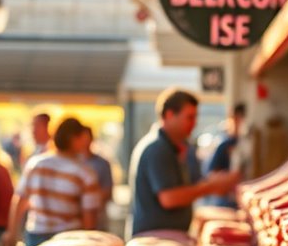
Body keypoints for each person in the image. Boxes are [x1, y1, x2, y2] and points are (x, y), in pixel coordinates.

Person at [129, 88, 238, 237]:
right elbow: (169, 198)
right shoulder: (157, 149)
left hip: (163, 236)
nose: (194, 123)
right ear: (169, 115)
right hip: (157, 238)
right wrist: (211, 187)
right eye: (189, 117)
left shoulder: (171, 147)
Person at [3, 117, 99, 246]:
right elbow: (89, 219)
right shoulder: (85, 173)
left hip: (35, 236)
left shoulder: (36, 164)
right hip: (68, 240)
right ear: (75, 139)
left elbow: (20, 200)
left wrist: (12, 233)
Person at [205, 103, 245, 208]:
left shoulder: (251, 144)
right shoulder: (225, 145)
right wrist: (228, 178)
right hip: (227, 201)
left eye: (240, 120)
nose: (238, 124)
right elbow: (211, 176)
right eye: (235, 119)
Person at [77, 124, 114, 231]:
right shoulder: (72, 163)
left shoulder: (102, 163)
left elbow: (107, 192)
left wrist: (87, 198)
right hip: (76, 222)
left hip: (98, 219)